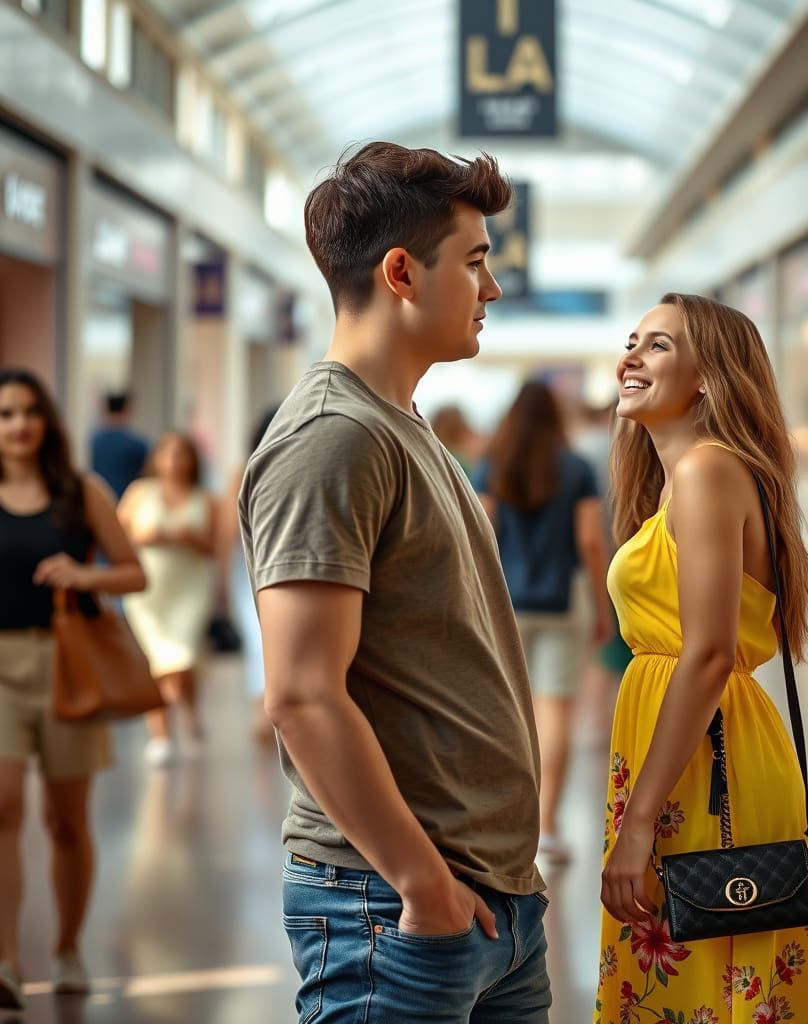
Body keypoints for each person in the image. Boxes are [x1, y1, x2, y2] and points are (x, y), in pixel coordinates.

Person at [239, 142, 550, 1023]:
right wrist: (421, 882)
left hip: (489, 901)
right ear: (402, 273)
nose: (493, 289)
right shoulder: (334, 436)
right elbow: (302, 695)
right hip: (393, 908)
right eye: (476, 262)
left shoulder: (401, 424)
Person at [595, 295, 808, 1022]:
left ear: (709, 376)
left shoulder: (707, 471)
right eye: (632, 341)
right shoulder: (681, 480)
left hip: (708, 761)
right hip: (693, 746)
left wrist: (638, 821)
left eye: (658, 345)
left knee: (708, 974)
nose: (631, 357)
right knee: (702, 975)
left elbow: (708, 655)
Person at [0, 369, 146, 1008]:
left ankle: (66, 948)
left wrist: (84, 577)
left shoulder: (80, 492)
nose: (19, 425)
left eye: (30, 412)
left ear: (48, 421)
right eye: (6, 414)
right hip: (1, 666)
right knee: (3, 807)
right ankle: (6, 961)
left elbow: (134, 574)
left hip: (68, 664)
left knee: (66, 820)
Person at [474, 379, 610, 864]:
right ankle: (547, 827)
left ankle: (504, 827)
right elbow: (590, 541)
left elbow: (480, 535)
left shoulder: (492, 465)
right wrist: (602, 604)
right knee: (556, 710)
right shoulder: (576, 468)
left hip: (505, 602)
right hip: (563, 601)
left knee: (505, 712)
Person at [119, 432, 216, 767]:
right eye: (168, 453)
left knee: (181, 660)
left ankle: (188, 709)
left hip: (190, 591)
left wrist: (191, 538)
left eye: (182, 453)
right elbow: (116, 537)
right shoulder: (139, 493)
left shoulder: (205, 499)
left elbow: (216, 547)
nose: (175, 461)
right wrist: (145, 537)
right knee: (157, 662)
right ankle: (161, 735)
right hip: (147, 594)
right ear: (156, 459)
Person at [219, 407, 278, 746]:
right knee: (262, 642)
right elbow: (228, 532)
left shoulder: (245, 472)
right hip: (251, 569)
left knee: (261, 642)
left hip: (249, 568)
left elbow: (226, 534)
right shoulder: (246, 473)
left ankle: (264, 713)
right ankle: (263, 714)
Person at [89, 392, 149, 499]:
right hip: (127, 498)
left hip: (102, 497)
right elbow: (147, 473)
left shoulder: (96, 441)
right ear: (126, 409)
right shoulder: (136, 443)